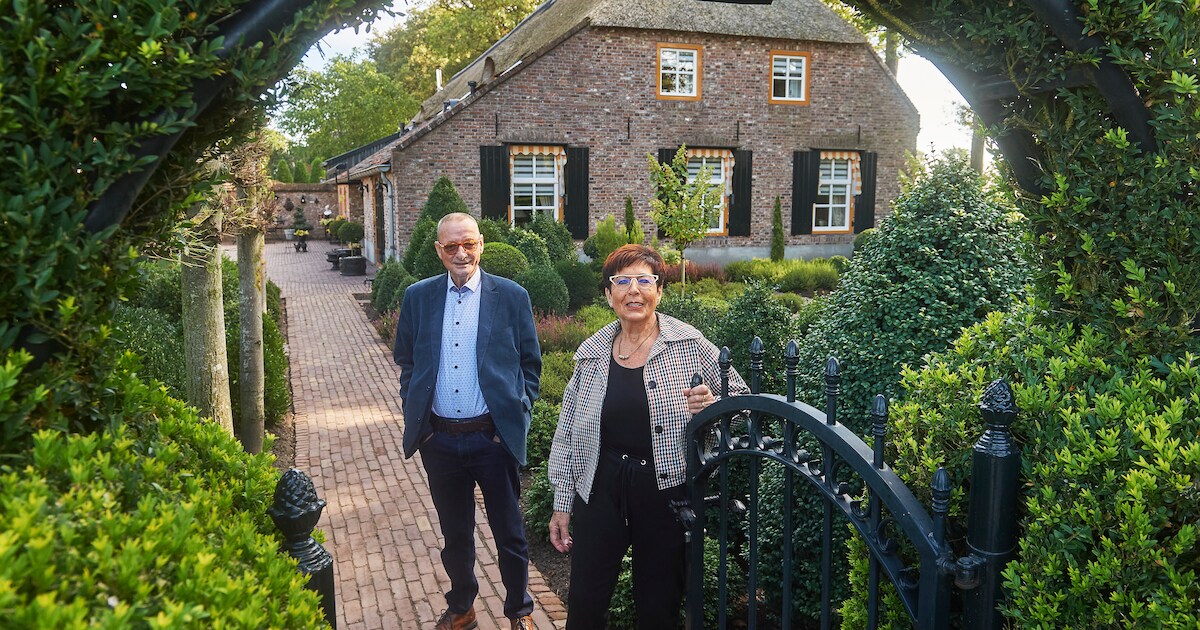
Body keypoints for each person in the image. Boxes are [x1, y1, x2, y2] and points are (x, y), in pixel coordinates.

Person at [547, 244, 748, 629]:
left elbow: (741, 402)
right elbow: (568, 432)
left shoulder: (688, 344)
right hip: (600, 487)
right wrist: (562, 501)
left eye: (644, 280)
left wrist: (714, 404)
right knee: (586, 604)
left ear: (659, 290)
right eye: (622, 281)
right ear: (608, 295)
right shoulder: (591, 352)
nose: (633, 291)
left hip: (663, 490)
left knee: (658, 606)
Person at [393, 212, 541, 630]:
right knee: (455, 536)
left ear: (481, 244)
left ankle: (520, 612)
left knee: (509, 534)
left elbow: (530, 364)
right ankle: (463, 607)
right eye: (452, 246)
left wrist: (516, 416)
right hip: (439, 441)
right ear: (439, 251)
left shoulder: (511, 295)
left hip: (491, 440)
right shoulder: (418, 296)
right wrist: (415, 408)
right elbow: (406, 359)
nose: (462, 253)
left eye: (469, 244)